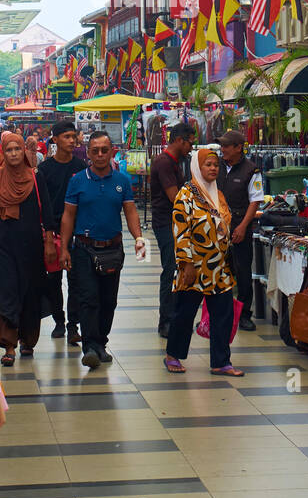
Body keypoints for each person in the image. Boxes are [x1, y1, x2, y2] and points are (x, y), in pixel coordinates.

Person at [59, 130, 146, 370]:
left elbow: (130, 211)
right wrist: (64, 248)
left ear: (112, 152)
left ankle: (101, 343)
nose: (99, 154)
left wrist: (138, 238)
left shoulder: (122, 181)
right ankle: (89, 347)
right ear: (88, 153)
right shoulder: (78, 180)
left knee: (109, 300)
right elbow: (68, 215)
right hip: (84, 249)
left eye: (104, 150)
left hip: (113, 250)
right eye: (94, 150)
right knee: (88, 299)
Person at [163, 147, 244, 377]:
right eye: (207, 165)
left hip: (220, 268)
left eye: (216, 165)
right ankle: (173, 355)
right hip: (195, 267)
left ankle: (221, 361)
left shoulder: (218, 194)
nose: (213, 169)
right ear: (197, 167)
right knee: (184, 313)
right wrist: (186, 263)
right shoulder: (186, 195)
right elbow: (180, 231)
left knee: (222, 315)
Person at [0, 130, 57, 367]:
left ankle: (28, 340)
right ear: (3, 153)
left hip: (32, 245)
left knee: (30, 291)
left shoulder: (35, 178)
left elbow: (46, 210)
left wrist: (49, 241)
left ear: (23, 151)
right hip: (5, 245)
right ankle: (8, 345)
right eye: (9, 150)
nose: (14, 153)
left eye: (17, 149)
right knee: (5, 290)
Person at [150, 123, 196, 338]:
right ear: (179, 140)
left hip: (174, 223)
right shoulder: (165, 163)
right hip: (166, 223)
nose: (190, 147)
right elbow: (174, 198)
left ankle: (176, 317)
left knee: (178, 269)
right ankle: (165, 321)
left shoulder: (176, 162)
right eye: (189, 143)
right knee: (170, 270)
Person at [41, 119, 85, 344]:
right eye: (66, 137)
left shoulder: (81, 168)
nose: (71, 140)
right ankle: (59, 320)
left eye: (73, 136)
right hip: (53, 233)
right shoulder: (45, 169)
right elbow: (43, 205)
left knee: (76, 281)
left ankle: (73, 325)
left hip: (77, 234)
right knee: (53, 280)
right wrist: (48, 237)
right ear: (55, 139)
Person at [217, 130, 265, 331]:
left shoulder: (251, 170)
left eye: (227, 146)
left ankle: (245, 314)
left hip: (239, 225)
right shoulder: (216, 165)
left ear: (238, 148)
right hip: (217, 226)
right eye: (222, 146)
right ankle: (217, 312)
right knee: (217, 270)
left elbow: (255, 201)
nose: (223, 149)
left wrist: (243, 227)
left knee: (242, 271)